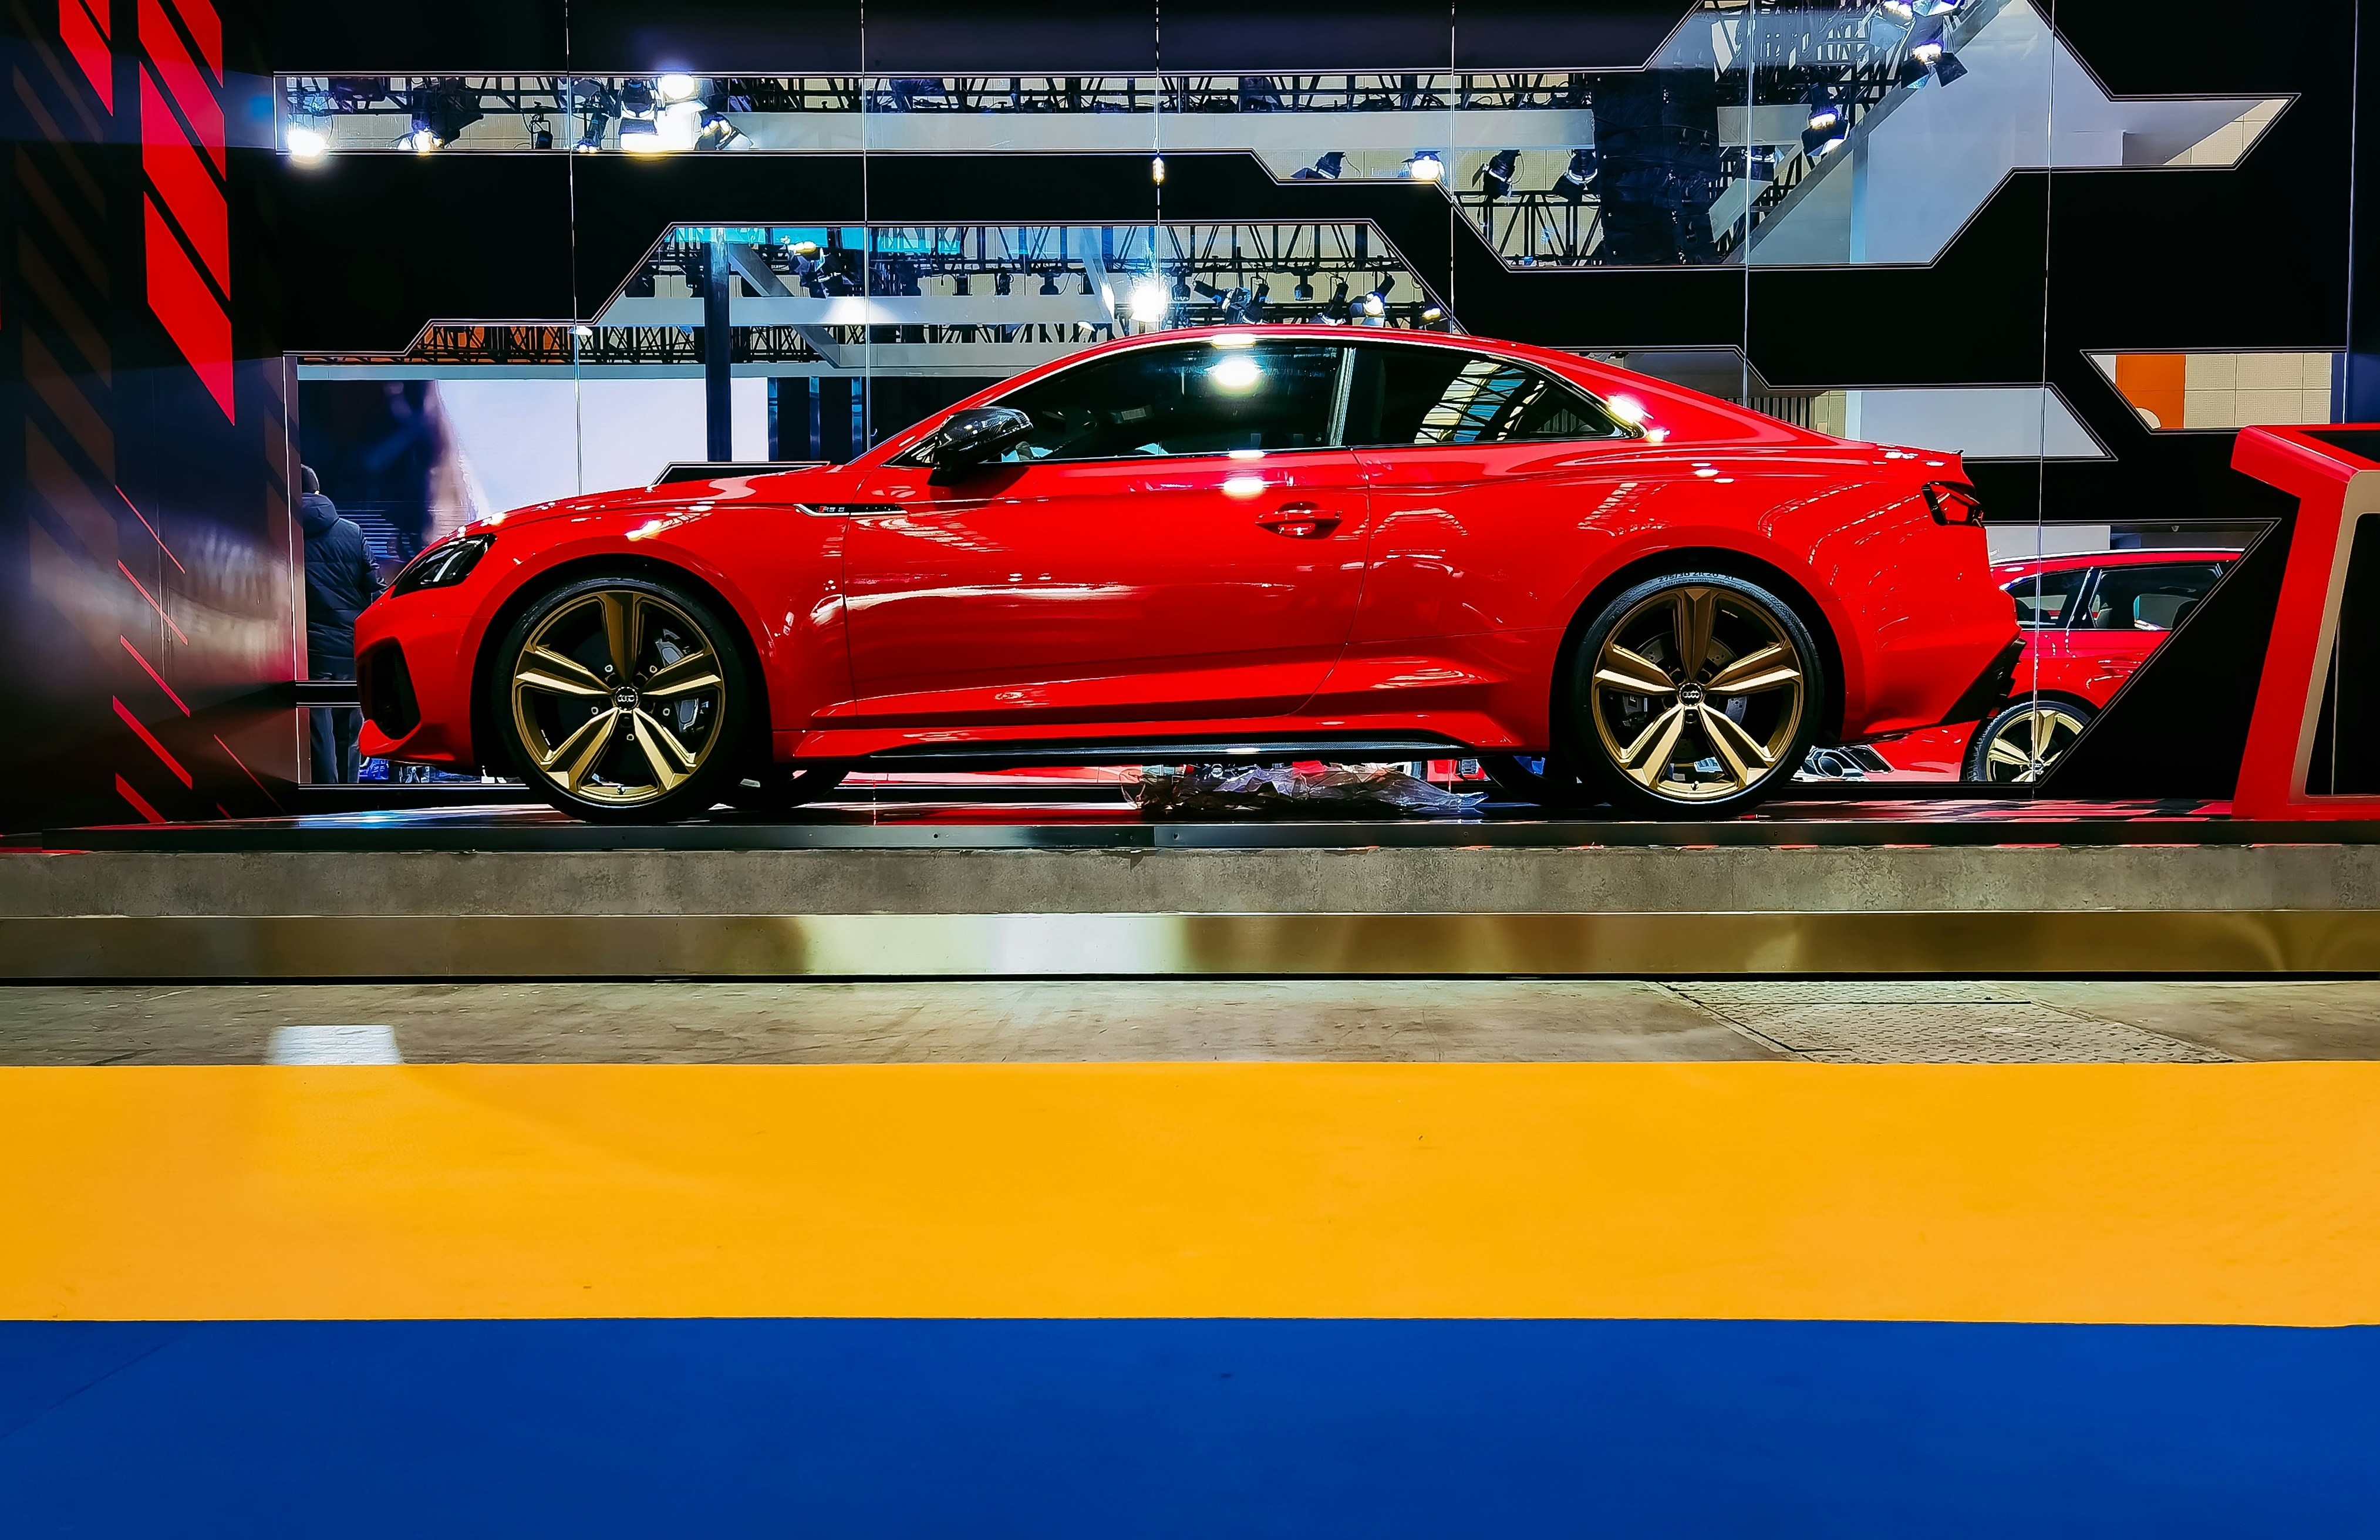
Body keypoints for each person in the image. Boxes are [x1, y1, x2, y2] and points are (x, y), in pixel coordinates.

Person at [298, 465, 382, 783]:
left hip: (310, 646)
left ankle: (325, 795)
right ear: (319, 492)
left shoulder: (285, 534)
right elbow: (374, 585)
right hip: (351, 642)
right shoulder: (353, 532)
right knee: (350, 723)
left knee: (318, 725)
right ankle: (350, 798)